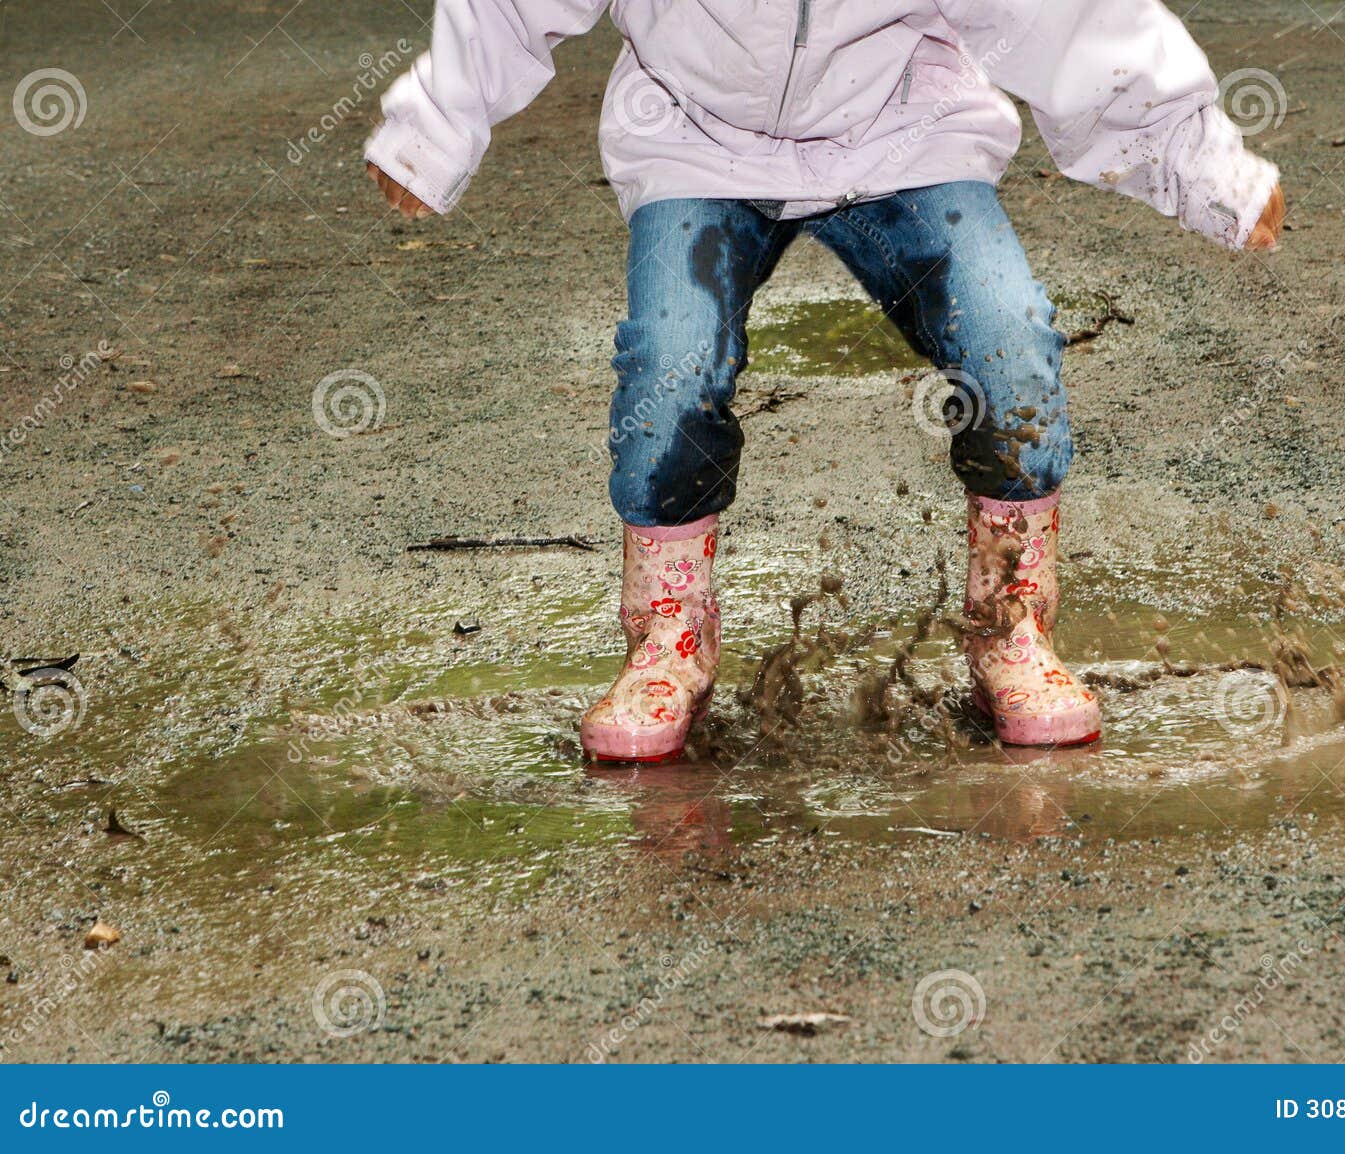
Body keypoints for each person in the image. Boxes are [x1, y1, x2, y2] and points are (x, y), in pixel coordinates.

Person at [365, 0, 1286, 762]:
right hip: (698, 140)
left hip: (901, 135)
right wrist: (436, 127)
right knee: (671, 363)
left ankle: (1011, 624)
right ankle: (667, 641)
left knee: (1007, 337)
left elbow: (1069, 20)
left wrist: (1200, 162)